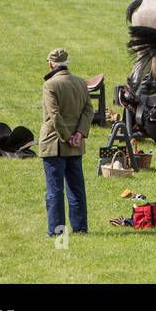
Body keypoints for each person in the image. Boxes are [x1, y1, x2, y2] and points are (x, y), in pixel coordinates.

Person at [40, 48, 93, 237]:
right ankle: (80, 228)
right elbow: (89, 110)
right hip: (76, 146)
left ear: (51, 64)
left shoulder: (50, 85)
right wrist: (79, 133)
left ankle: (56, 231)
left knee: (55, 190)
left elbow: (54, 115)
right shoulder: (80, 82)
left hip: (55, 144)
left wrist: (67, 136)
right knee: (76, 189)